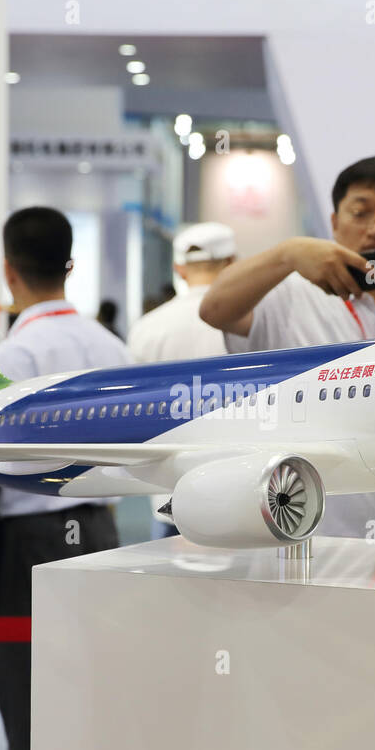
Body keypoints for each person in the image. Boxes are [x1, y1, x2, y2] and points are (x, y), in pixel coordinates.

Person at [200, 155, 375, 543]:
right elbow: (214, 308)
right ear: (334, 223)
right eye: (360, 213)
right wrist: (287, 253)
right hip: (308, 545)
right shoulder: (287, 299)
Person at [0, 206, 133, 750]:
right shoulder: (115, 349)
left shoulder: (11, 356)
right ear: (70, 265)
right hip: (101, 536)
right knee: (98, 704)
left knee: (28, 710)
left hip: (28, 544)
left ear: (9, 271)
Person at [128, 221, 236, 538]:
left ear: (179, 268)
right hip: (240, 492)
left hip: (168, 490)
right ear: (232, 263)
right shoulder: (249, 321)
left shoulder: (147, 328)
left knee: (167, 583)